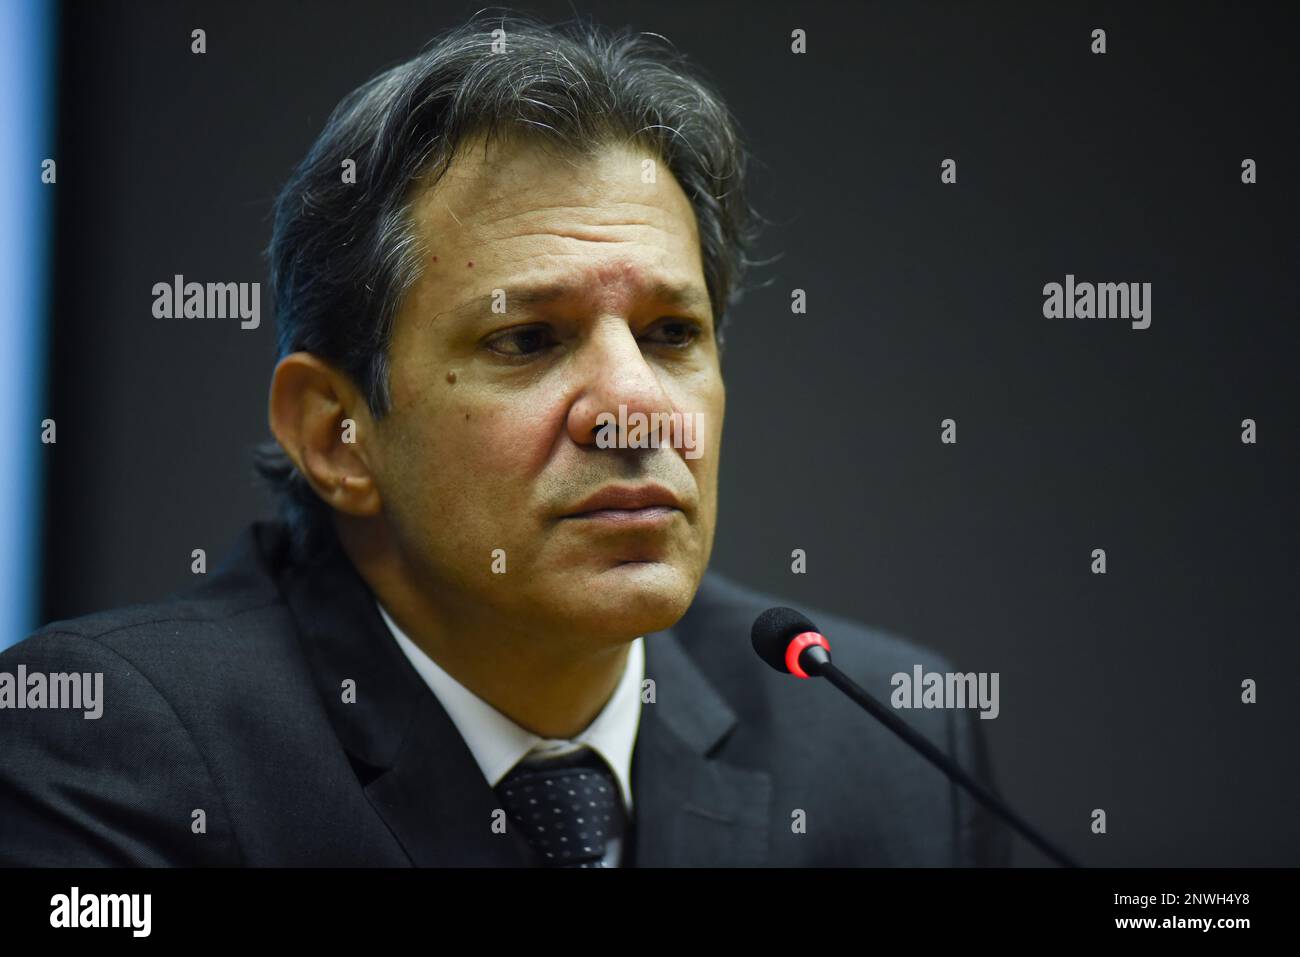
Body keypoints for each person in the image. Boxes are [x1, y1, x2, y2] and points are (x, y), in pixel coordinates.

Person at [0, 12, 1010, 867]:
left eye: (670, 335)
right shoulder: (111, 749)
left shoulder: (890, 752)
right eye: (526, 339)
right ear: (335, 434)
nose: (634, 409)